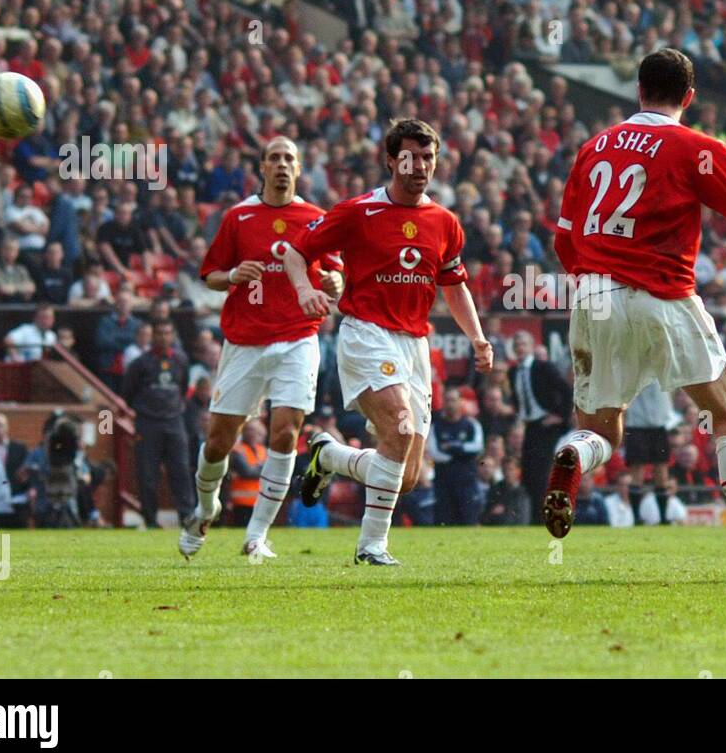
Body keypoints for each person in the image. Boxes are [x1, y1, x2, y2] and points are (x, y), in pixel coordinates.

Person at [547, 48, 726, 583]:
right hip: (664, 295)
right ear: (690, 97)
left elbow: (564, 240)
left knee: (604, 430)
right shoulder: (695, 148)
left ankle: (573, 456)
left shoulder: (593, 147)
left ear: (638, 91)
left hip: (594, 296)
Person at [286, 119, 494, 566]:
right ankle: (372, 547)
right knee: (400, 425)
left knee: (406, 477)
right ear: (390, 160)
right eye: (410, 157)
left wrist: (477, 337)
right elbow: (295, 252)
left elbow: (454, 286)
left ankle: (329, 456)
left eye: (428, 157)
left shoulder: (445, 222)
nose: (420, 167)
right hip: (367, 334)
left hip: (414, 345)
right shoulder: (358, 211)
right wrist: (305, 290)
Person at [178, 136, 344, 561]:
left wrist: (333, 283)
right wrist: (233, 275)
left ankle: (257, 535)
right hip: (245, 342)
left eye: (290, 158)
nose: (283, 165)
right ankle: (204, 507)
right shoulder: (239, 217)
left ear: (300, 167)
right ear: (263, 168)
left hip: (298, 337)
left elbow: (339, 275)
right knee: (218, 441)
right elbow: (209, 275)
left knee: (286, 430)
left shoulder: (315, 218)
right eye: (275, 158)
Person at [121, 319, 195, 530]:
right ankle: (151, 520)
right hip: (147, 423)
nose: (163, 337)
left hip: (174, 421)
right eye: (159, 333)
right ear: (152, 336)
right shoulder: (140, 363)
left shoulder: (181, 360)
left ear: (173, 336)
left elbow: (182, 388)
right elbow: (127, 394)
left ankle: (187, 517)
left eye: (167, 332)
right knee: (147, 474)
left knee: (181, 471)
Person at [509, 330, 572, 521]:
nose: (520, 348)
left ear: (531, 347)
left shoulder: (543, 367)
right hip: (531, 426)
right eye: (517, 345)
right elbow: (518, 398)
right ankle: (536, 517)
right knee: (528, 473)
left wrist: (560, 416)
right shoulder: (513, 372)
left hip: (548, 425)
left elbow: (567, 390)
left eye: (524, 344)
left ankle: (546, 518)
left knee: (542, 473)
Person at [426, 387, 485, 525]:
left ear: (460, 402)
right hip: (444, 482)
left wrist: (453, 447)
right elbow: (436, 453)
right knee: (445, 521)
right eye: (447, 400)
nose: (450, 403)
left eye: (453, 400)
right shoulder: (436, 426)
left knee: (468, 521)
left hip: (467, 482)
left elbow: (477, 447)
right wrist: (461, 453)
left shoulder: (471, 425)